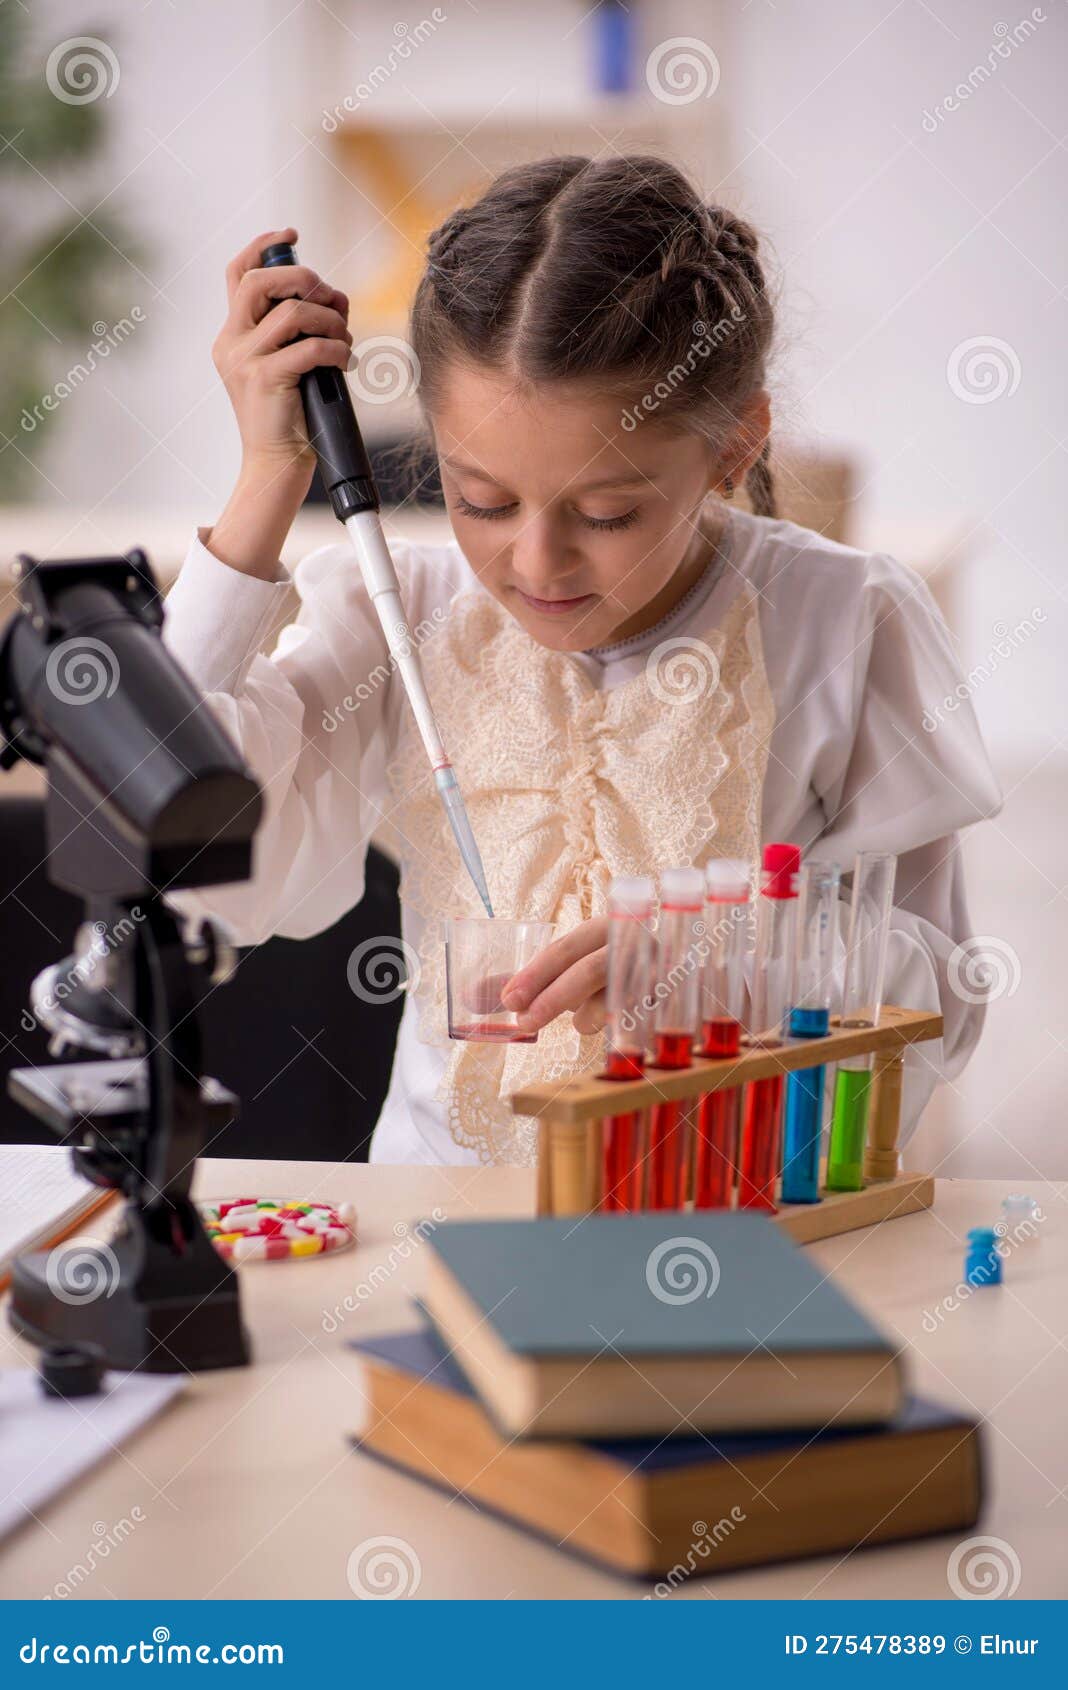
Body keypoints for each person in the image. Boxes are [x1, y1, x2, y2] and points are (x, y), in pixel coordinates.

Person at [161, 154, 1001, 1168]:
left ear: (737, 446)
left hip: (740, 1230)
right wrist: (268, 476)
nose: (537, 561)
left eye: (607, 513)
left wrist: (716, 960)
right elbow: (187, 852)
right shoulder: (405, 613)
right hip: (437, 1222)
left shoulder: (844, 621)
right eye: (483, 499)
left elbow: (943, 1001)